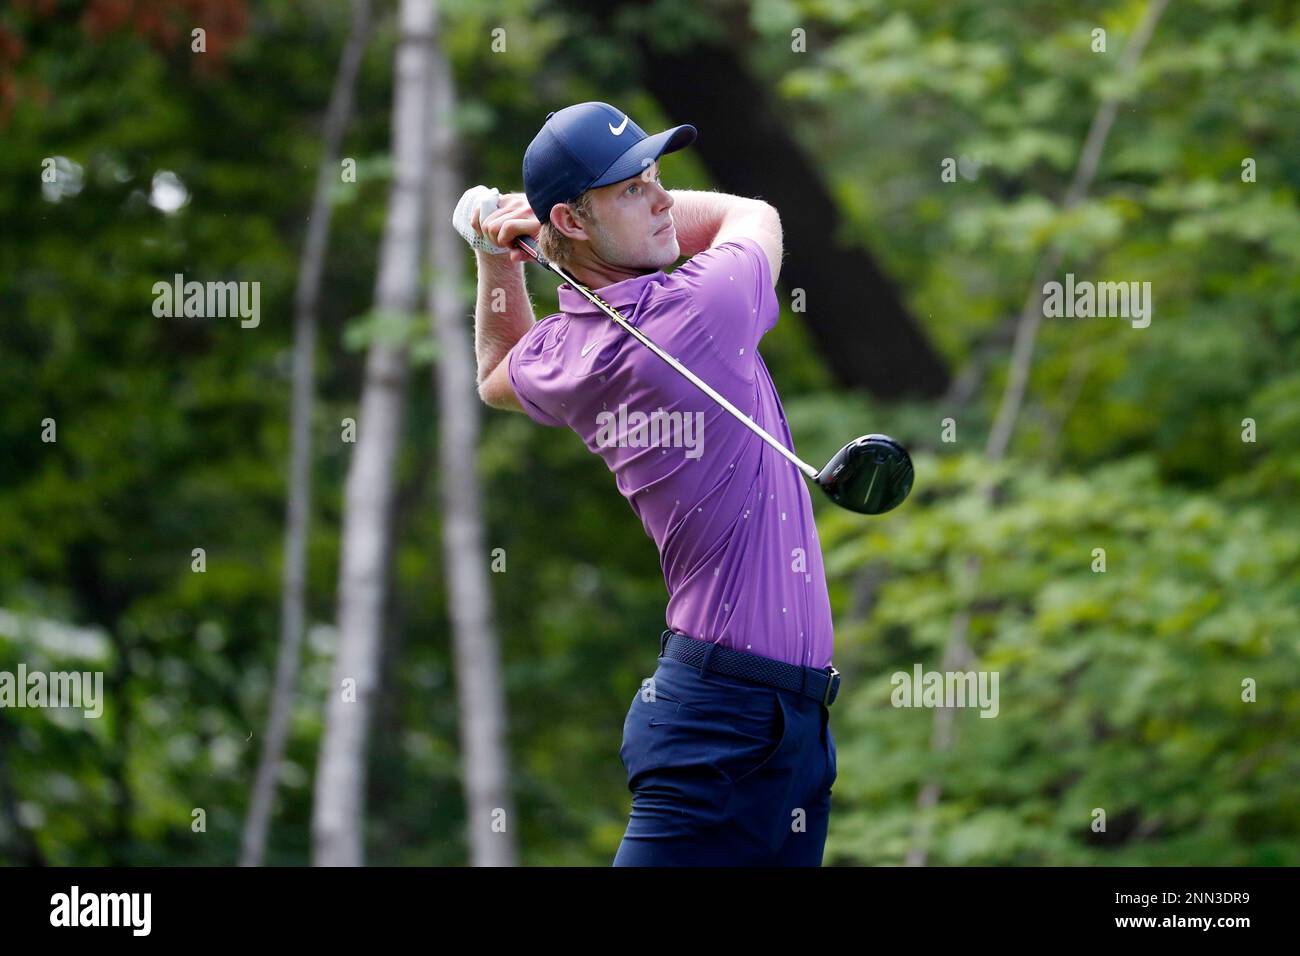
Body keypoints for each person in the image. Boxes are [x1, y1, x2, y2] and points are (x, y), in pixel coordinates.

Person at [458, 101, 839, 866]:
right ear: (570, 217)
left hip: (789, 725)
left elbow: (497, 372)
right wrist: (532, 235)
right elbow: (750, 211)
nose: (663, 199)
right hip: (721, 722)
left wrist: (494, 254)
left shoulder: (571, 349)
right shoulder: (702, 306)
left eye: (657, 176)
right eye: (632, 189)